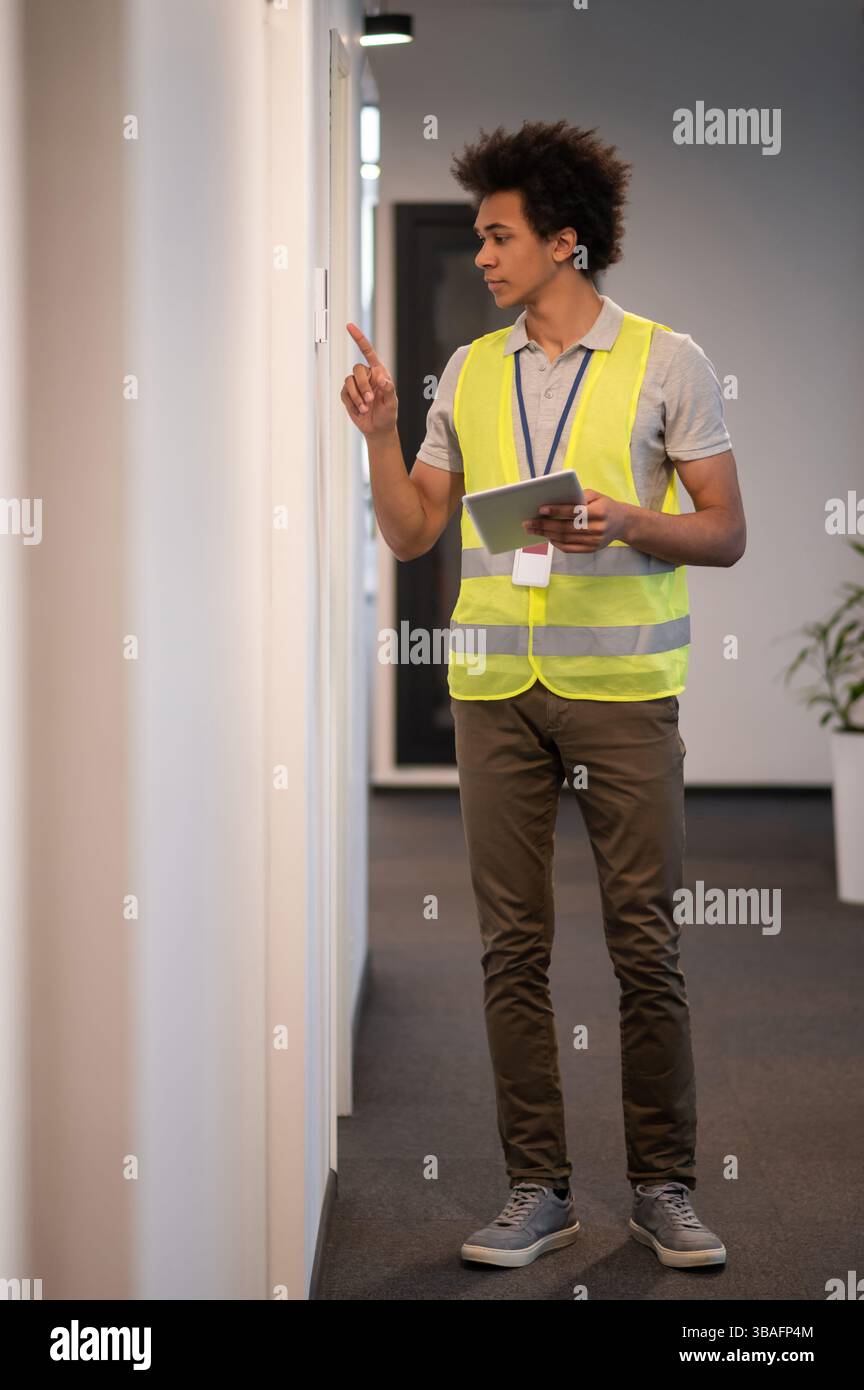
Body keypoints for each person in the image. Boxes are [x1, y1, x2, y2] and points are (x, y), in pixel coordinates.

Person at [340, 118, 746, 1272]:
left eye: (499, 234)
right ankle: (539, 1190)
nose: (481, 254)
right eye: (478, 236)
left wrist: (626, 519)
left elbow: (726, 530)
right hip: (493, 686)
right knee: (511, 948)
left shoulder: (671, 360)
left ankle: (664, 1188)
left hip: (621, 696)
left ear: (565, 241)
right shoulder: (469, 372)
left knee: (644, 944)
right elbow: (417, 528)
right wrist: (378, 438)